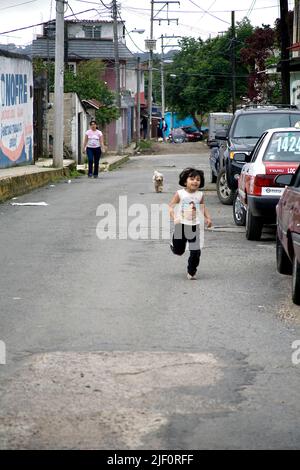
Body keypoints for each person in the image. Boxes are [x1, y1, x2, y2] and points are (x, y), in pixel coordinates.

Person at [168, 167, 212, 280]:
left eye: (198, 179)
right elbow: (170, 207)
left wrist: (208, 218)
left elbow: (202, 207)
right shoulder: (180, 193)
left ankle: (191, 271)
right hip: (180, 226)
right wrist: (174, 218)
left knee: (196, 251)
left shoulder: (200, 195)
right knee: (179, 251)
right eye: (192, 179)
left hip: (194, 226)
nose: (195, 181)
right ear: (185, 181)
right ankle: (174, 246)